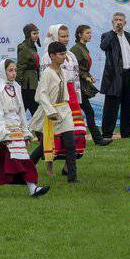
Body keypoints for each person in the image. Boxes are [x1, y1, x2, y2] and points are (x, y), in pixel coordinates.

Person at [0, 59, 49, 197]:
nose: (13, 73)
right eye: (10, 70)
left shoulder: (16, 87)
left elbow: (21, 111)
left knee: (23, 158)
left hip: (15, 127)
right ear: (3, 71)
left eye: (15, 70)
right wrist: (2, 134)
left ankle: (33, 188)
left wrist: (25, 132)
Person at [29, 42, 78, 183]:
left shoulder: (62, 71)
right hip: (51, 112)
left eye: (64, 54)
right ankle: (27, 168)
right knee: (45, 144)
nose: (64, 57)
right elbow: (41, 95)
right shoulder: (47, 73)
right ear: (52, 56)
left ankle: (72, 177)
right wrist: (51, 111)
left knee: (70, 143)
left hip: (64, 110)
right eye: (61, 54)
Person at [41, 25, 86, 163]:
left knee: (77, 132)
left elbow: (76, 78)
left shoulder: (70, 56)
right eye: (62, 36)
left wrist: (78, 97)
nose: (66, 39)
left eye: (67, 36)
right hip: (56, 96)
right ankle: (48, 166)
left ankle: (69, 167)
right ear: (55, 36)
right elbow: (44, 82)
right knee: (54, 134)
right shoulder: (47, 57)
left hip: (71, 95)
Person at [100, 12, 130, 140]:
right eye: (116, 20)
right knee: (111, 106)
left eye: (121, 20)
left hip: (129, 74)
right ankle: (107, 133)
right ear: (112, 22)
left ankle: (126, 132)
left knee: (128, 105)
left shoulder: (129, 36)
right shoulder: (107, 35)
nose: (118, 22)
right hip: (114, 76)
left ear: (125, 23)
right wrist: (114, 31)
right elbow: (103, 46)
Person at [70, 25, 111, 146]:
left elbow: (82, 68)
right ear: (80, 35)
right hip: (78, 86)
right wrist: (85, 76)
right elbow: (74, 68)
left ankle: (97, 139)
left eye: (90, 33)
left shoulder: (82, 48)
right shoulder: (76, 49)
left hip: (81, 85)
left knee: (88, 112)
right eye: (87, 33)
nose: (90, 35)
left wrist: (88, 76)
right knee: (89, 112)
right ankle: (97, 139)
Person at [15, 23, 41, 116]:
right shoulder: (24, 47)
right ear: (28, 34)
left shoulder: (32, 46)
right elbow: (20, 66)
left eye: (37, 33)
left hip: (32, 83)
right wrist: (17, 84)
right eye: (34, 33)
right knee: (30, 109)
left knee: (28, 109)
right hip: (27, 85)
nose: (37, 35)